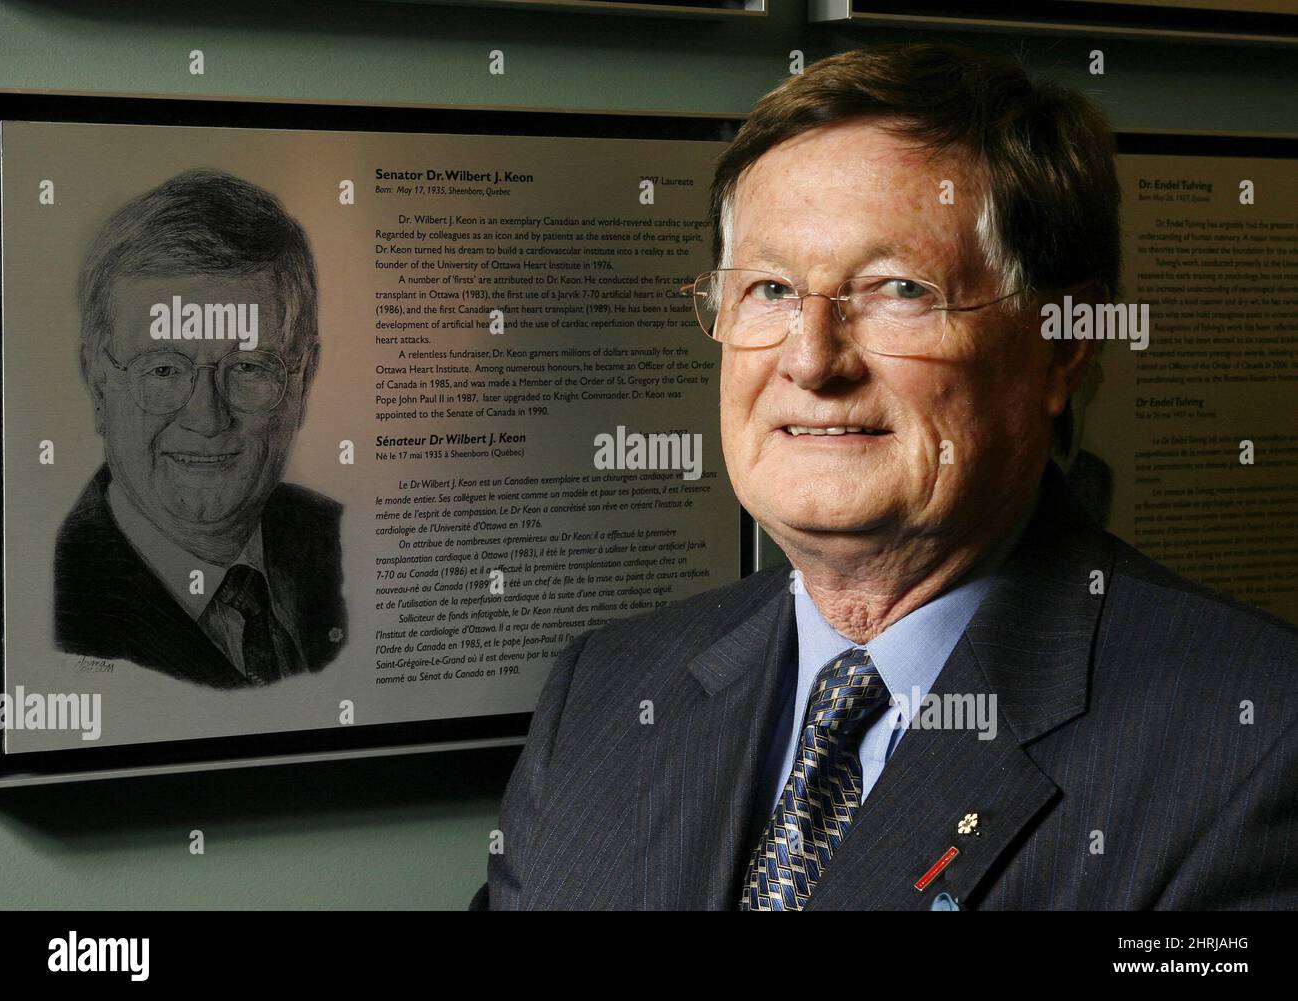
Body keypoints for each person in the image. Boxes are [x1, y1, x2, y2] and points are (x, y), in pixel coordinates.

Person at [472, 43, 1298, 909]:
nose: (811, 360)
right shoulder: (603, 695)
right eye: (769, 289)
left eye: (898, 288)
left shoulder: (1256, 742)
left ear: (1062, 342)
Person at [54, 168, 347, 688]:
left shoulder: (343, 544)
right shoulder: (56, 602)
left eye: (251, 367)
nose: (207, 418)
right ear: (98, 384)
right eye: (163, 369)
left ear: (304, 379)